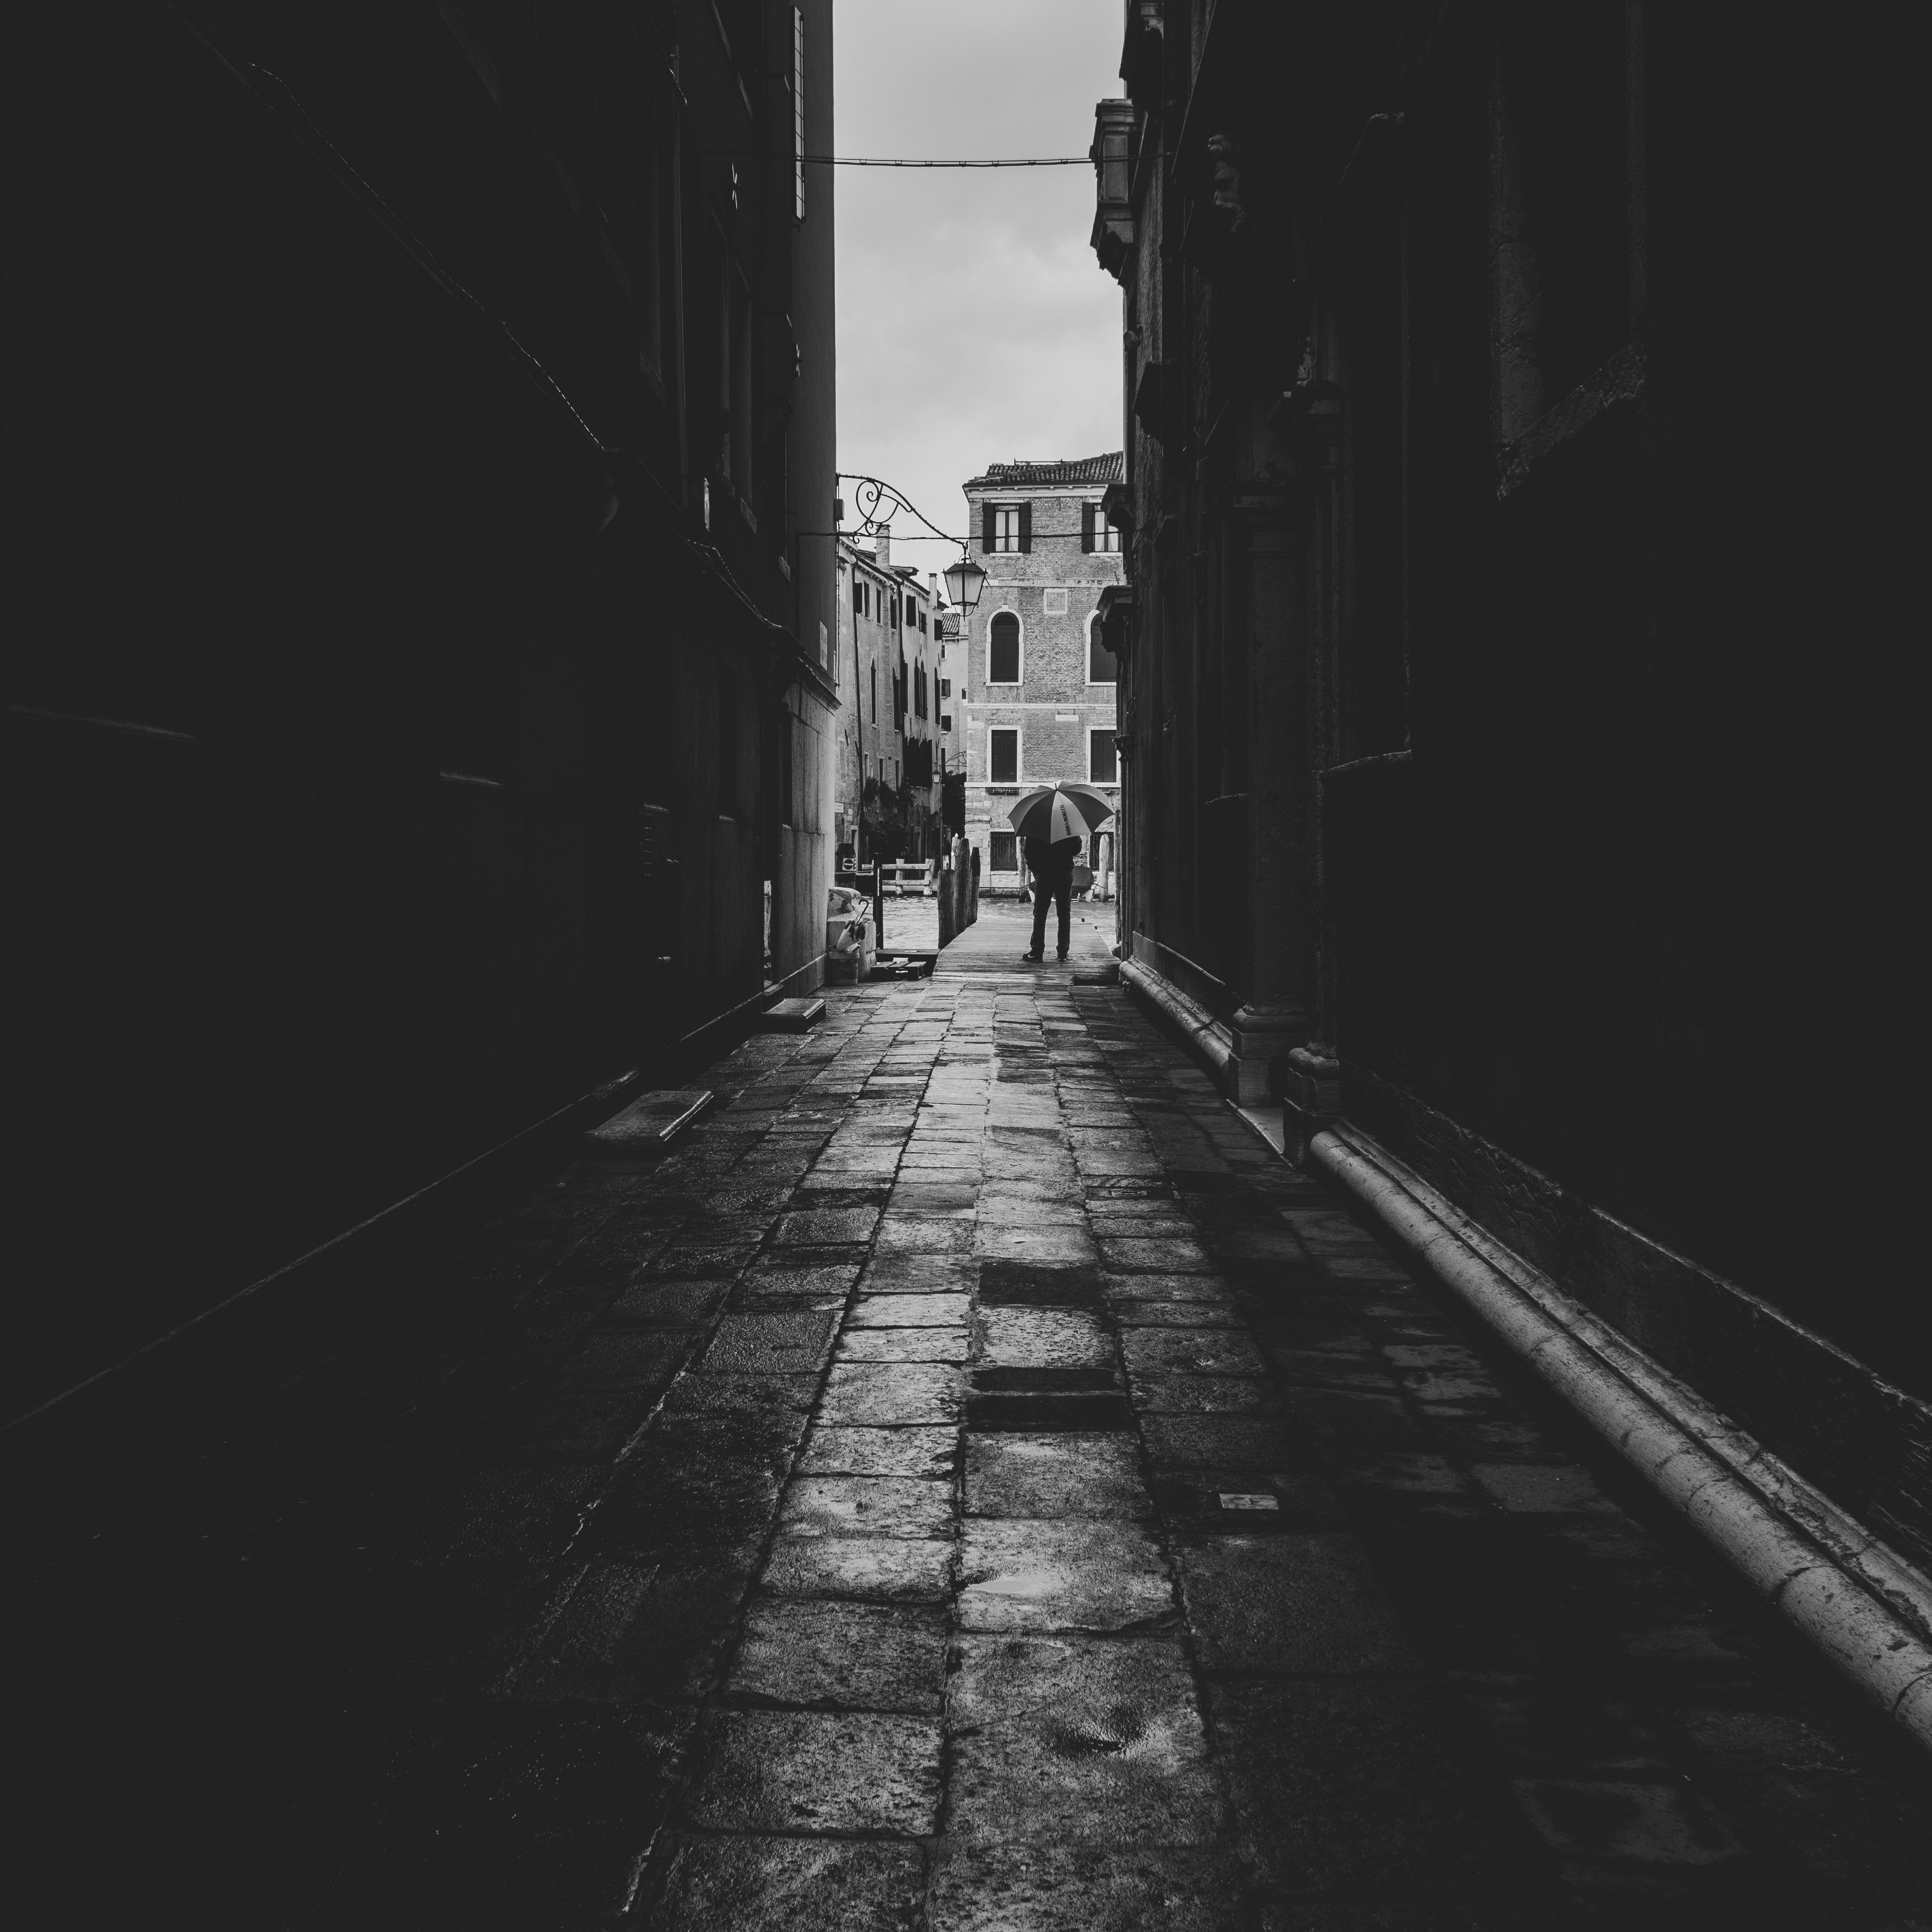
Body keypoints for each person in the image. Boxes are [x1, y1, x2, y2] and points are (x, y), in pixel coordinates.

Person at [1022, 833, 1081, 962]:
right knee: (1064, 914)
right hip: (1064, 873)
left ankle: (1037, 952)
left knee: (1040, 913)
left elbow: (1028, 852)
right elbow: (1077, 849)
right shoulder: (1067, 826)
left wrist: (1036, 871)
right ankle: (1063, 953)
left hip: (1044, 873)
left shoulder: (1037, 827)